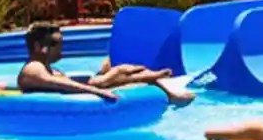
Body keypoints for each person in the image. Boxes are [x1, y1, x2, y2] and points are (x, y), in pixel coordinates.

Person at [17, 21, 195, 105]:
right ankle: (166, 92)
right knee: (118, 78)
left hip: (83, 88)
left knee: (122, 73)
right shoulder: (34, 68)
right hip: (76, 98)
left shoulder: (46, 68)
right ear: (38, 46)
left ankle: (161, 87)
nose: (61, 48)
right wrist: (98, 92)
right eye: (56, 43)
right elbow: (59, 84)